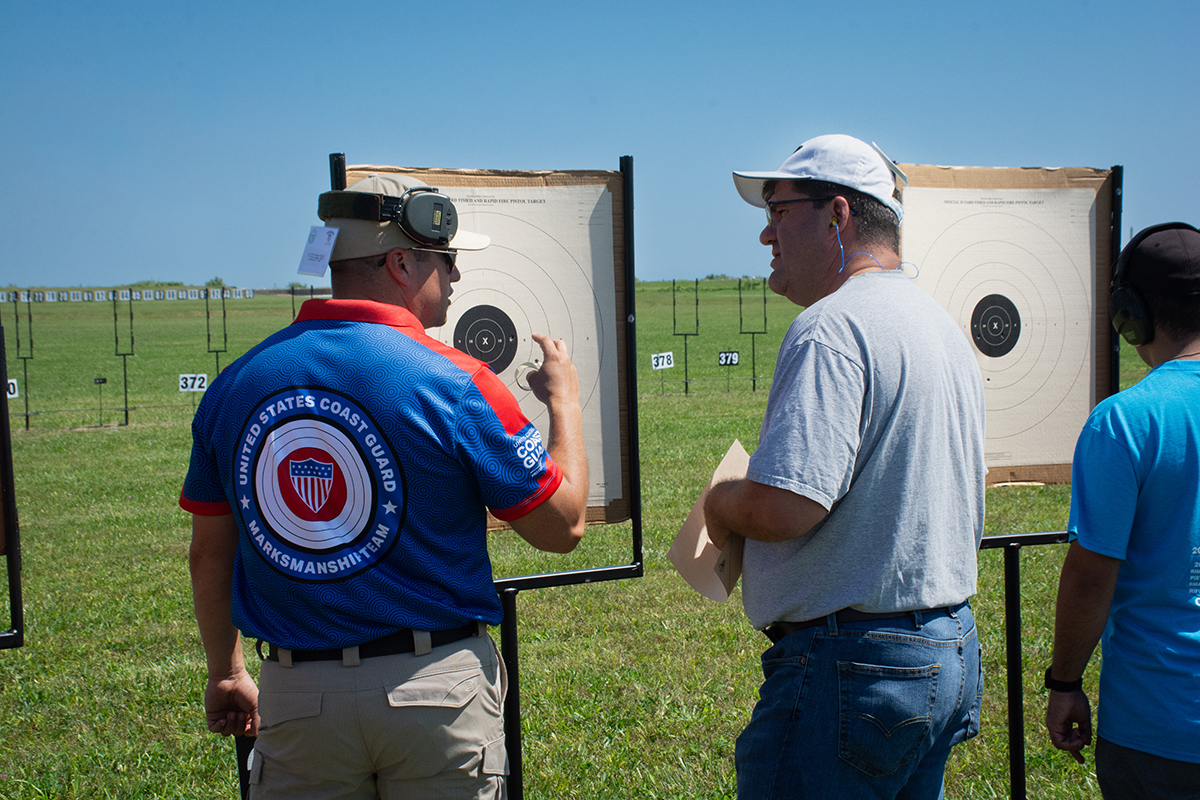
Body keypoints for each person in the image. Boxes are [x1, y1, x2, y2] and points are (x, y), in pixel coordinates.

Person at [181, 172, 589, 798]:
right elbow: (562, 527)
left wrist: (226, 670)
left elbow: (210, 552)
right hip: (438, 692)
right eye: (446, 260)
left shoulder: (233, 385)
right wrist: (565, 403)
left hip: (295, 697)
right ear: (401, 261)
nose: (454, 277)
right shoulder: (458, 380)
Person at [704, 134, 987, 798]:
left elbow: (788, 506)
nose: (766, 235)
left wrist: (721, 503)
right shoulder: (938, 323)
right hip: (944, 646)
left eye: (779, 211)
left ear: (837, 215)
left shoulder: (831, 326)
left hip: (854, 666)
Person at [1045, 222, 1200, 798]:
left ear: (1128, 314)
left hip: (1162, 727)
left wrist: (1063, 682)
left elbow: (1091, 575)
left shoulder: (1126, 421)